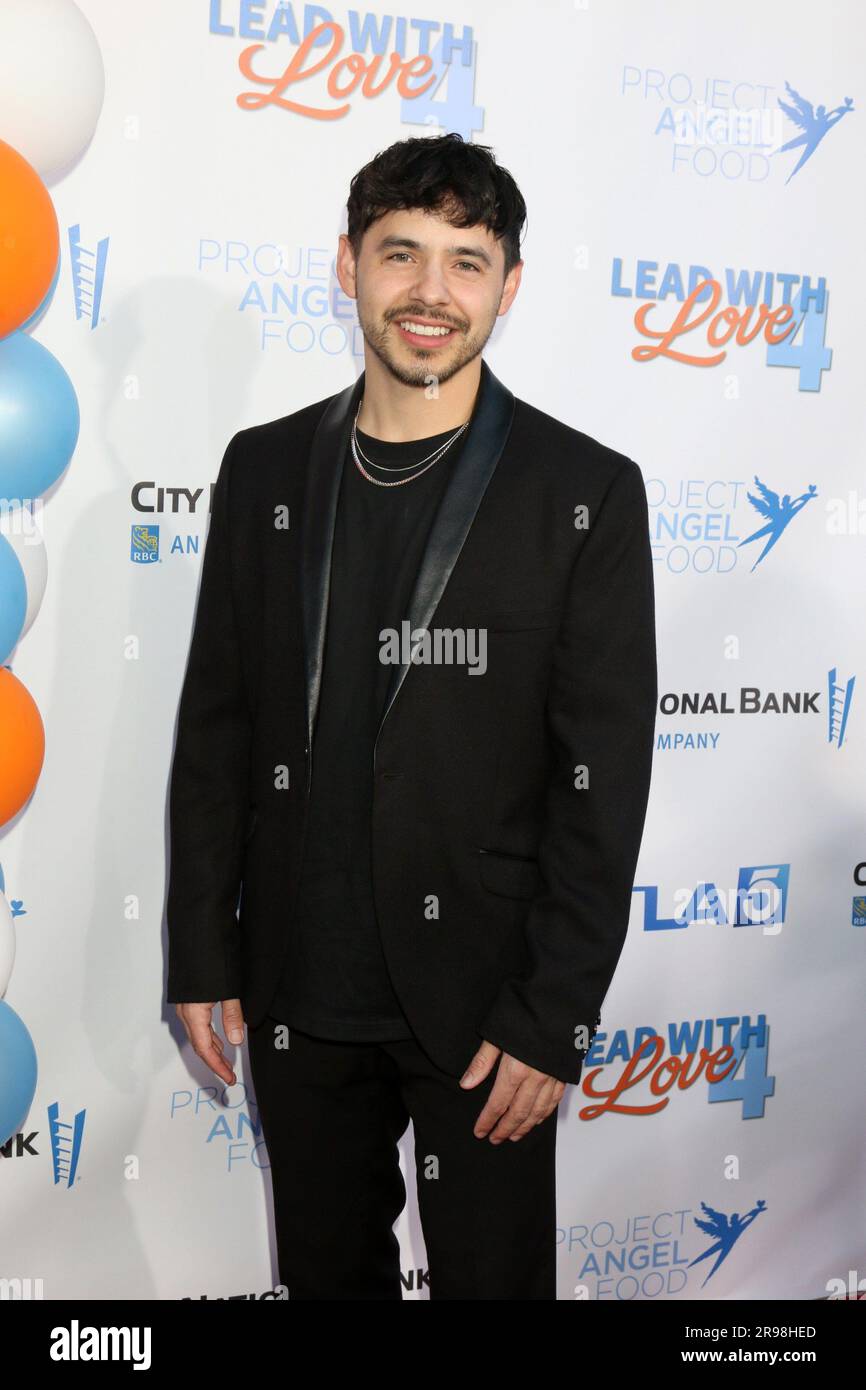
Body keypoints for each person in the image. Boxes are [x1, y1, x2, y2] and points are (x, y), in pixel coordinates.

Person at [166, 132, 657, 1300]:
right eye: (401, 254)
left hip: (486, 1009)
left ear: (508, 287)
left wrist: (552, 1018)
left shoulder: (579, 492)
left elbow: (603, 779)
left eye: (465, 261)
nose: (430, 292)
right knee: (328, 1279)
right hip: (297, 986)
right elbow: (216, 727)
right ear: (347, 267)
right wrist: (199, 946)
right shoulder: (264, 470)